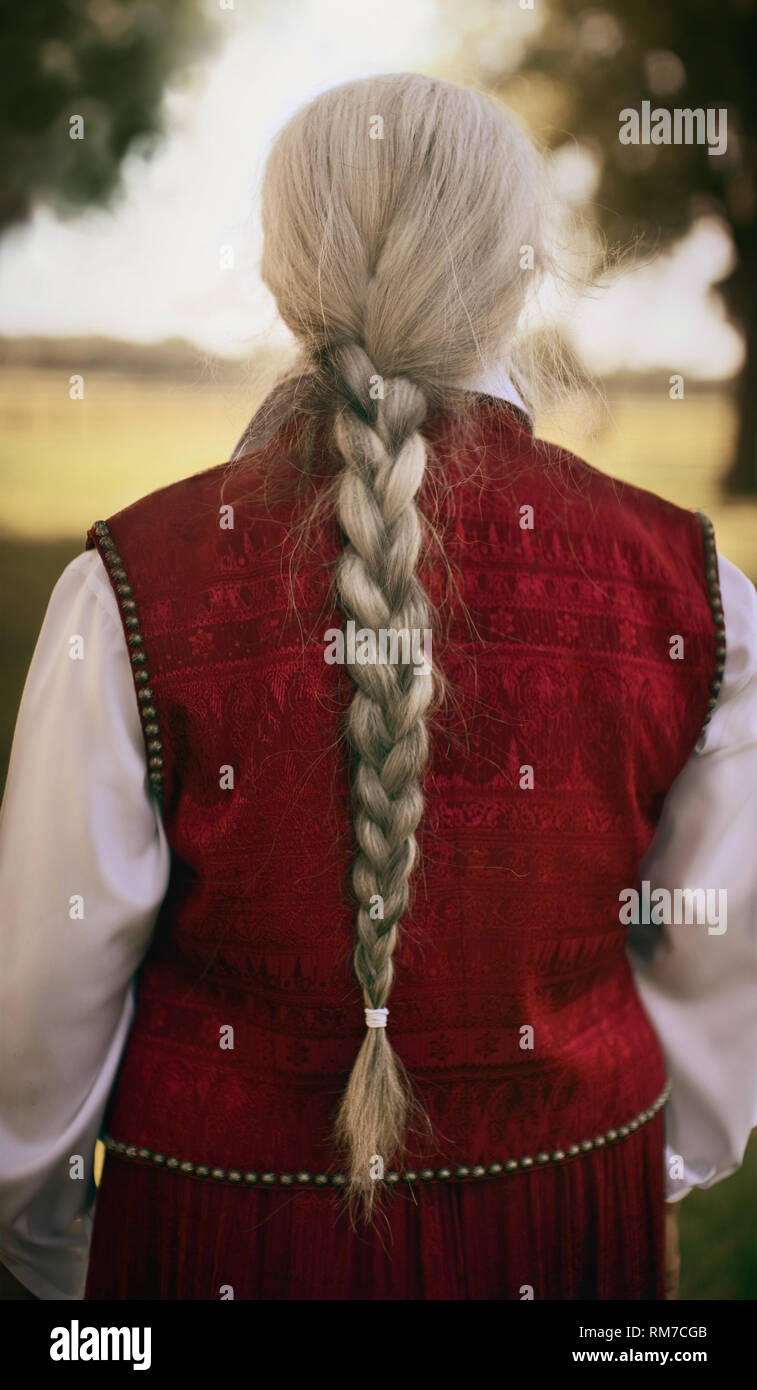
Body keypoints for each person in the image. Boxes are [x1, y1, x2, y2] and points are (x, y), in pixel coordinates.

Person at [1, 72, 756, 1302]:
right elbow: (724, 968)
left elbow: (44, 1002)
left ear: (279, 277)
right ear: (521, 275)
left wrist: (58, 1255)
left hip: (215, 1239)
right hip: (565, 1232)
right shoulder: (699, 595)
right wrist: (626, 1165)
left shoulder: (128, 588)